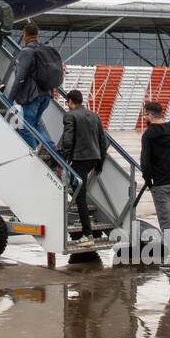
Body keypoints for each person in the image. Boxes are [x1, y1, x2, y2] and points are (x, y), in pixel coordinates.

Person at [139, 100, 170, 273]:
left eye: (145, 114)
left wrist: (148, 180)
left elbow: (145, 161)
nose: (145, 117)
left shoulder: (149, 135)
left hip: (161, 185)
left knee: (166, 224)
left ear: (150, 115)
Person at [59, 88, 108, 247]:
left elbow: (68, 140)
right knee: (77, 187)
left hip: (79, 159)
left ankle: (87, 234)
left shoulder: (70, 116)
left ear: (70, 102)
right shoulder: (94, 115)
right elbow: (103, 141)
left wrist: (64, 159)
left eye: (68, 103)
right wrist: (99, 163)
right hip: (93, 158)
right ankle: (86, 231)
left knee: (79, 195)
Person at [8, 22, 53, 151]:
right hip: (46, 94)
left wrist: (10, 98)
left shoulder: (27, 52)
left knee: (24, 127)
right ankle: (51, 149)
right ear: (37, 35)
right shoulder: (44, 50)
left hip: (33, 96)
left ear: (25, 35)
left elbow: (20, 77)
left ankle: (35, 154)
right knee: (35, 124)